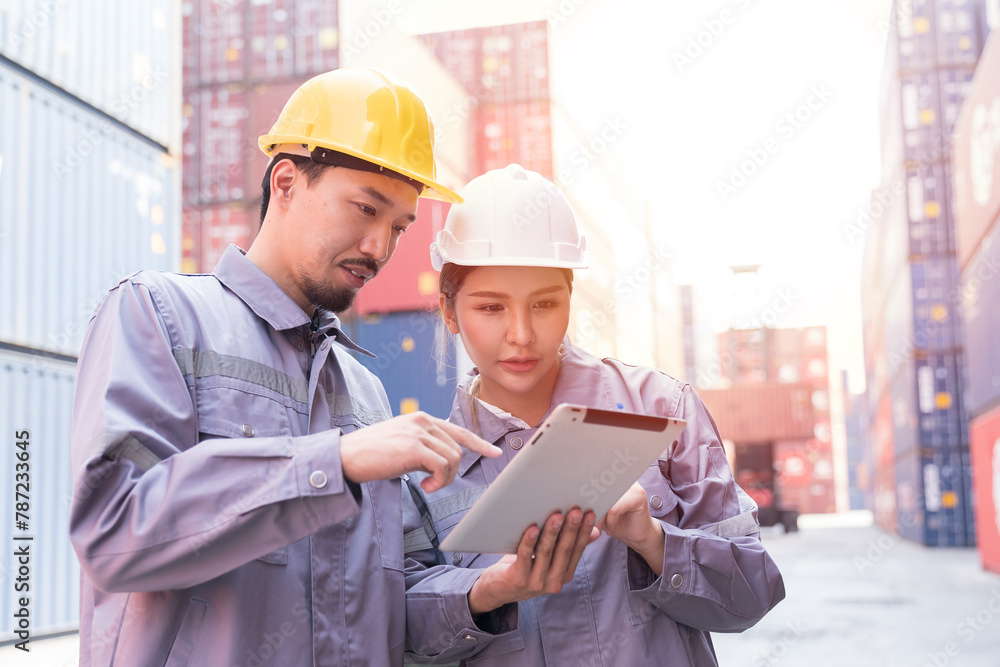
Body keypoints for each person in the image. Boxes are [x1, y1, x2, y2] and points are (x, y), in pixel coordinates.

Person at [68, 68, 501, 667]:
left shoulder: (366, 391)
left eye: (399, 227)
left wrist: (492, 592)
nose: (380, 248)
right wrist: (333, 463)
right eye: (365, 209)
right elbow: (114, 533)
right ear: (287, 182)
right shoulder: (160, 316)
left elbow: (398, 610)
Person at [402, 164, 786, 665]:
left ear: (569, 299)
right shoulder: (423, 469)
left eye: (544, 304)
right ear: (449, 311)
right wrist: (485, 593)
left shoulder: (662, 410)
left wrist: (653, 541)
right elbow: (397, 633)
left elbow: (751, 596)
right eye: (491, 308)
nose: (521, 333)